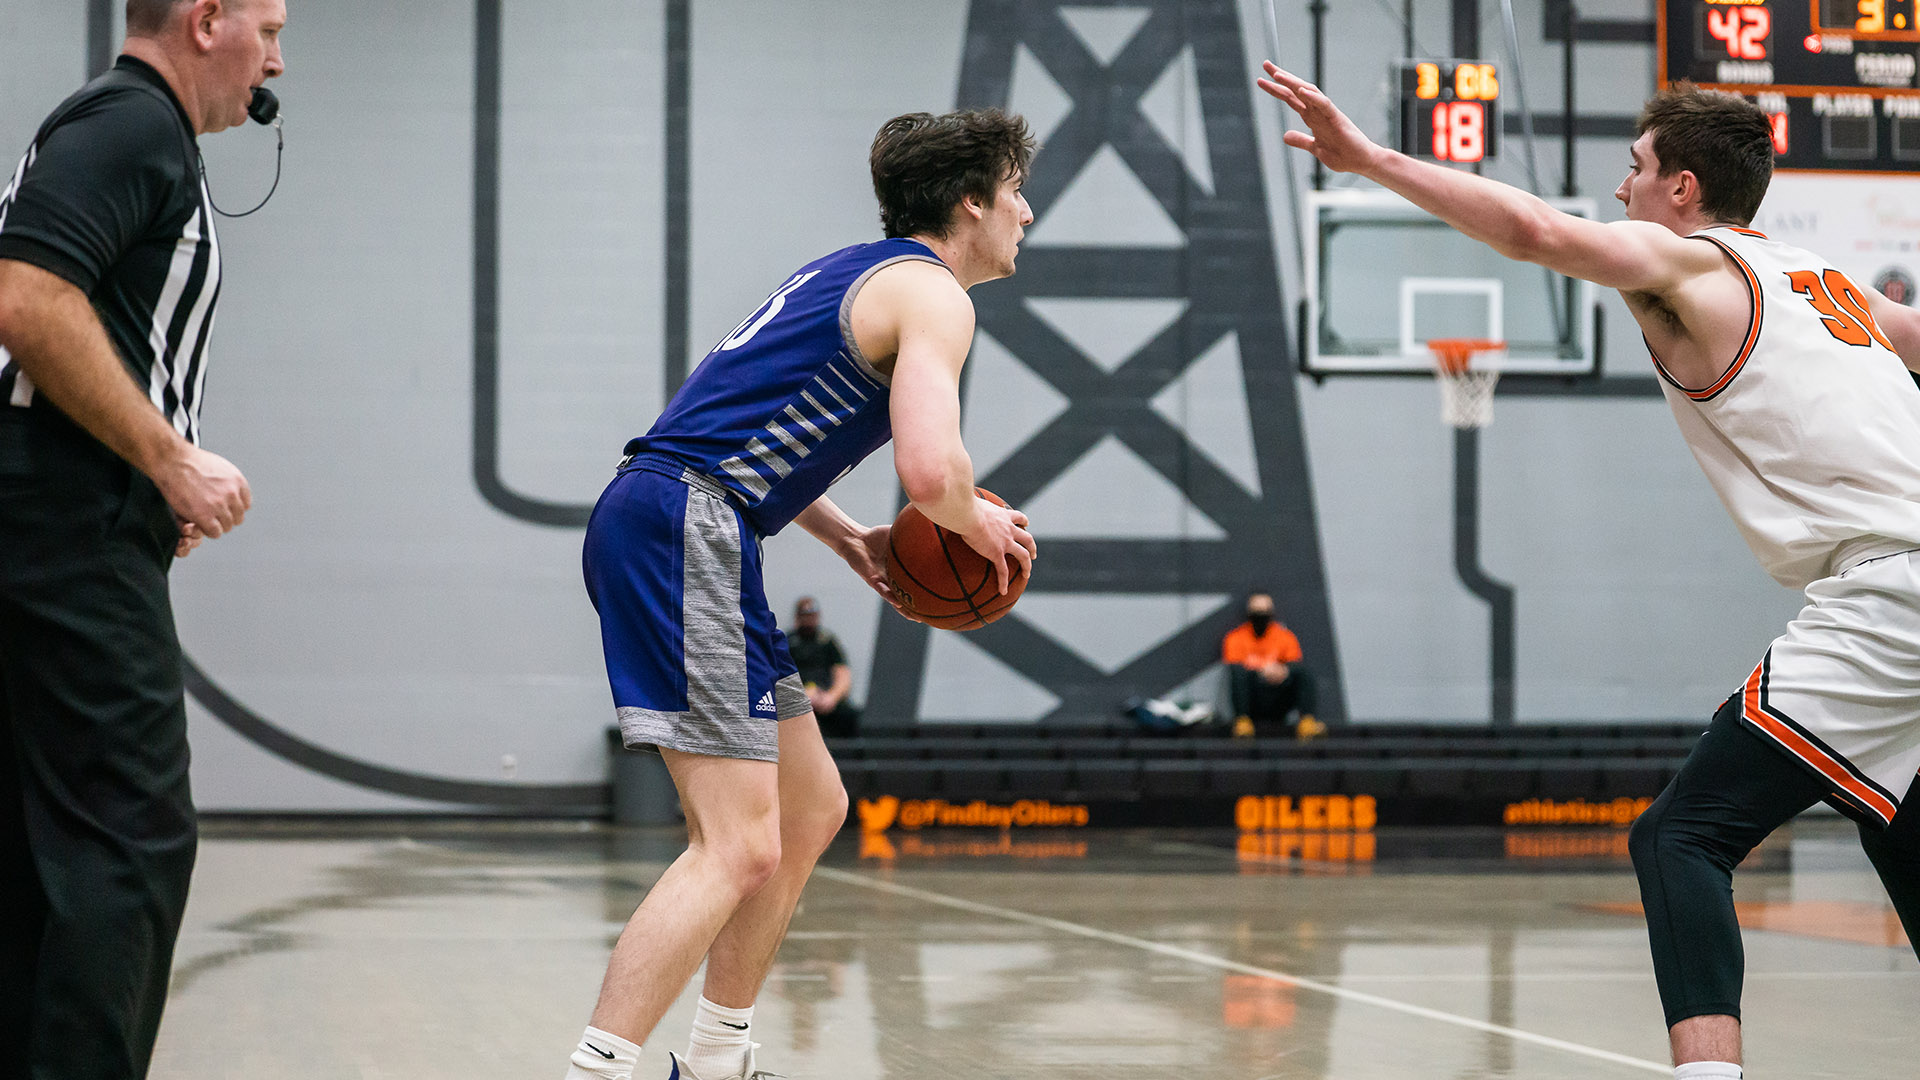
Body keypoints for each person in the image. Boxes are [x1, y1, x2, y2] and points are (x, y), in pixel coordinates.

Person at [1258, 65, 1920, 1078]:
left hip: (1891, 593)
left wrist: (1371, 160)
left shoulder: (1692, 266)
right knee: (1899, 827)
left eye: (1637, 166)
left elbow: (1534, 232)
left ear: (1685, 188)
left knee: (1681, 837)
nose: (1623, 189)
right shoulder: (1826, 281)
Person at [570, 109, 1039, 1080]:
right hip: (686, 525)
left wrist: (850, 537)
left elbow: (732, 426)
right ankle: (598, 1071)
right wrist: (975, 521)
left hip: (691, 516)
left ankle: (717, 1058)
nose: (1027, 214)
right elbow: (929, 467)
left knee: (811, 805)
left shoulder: (850, 271)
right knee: (735, 845)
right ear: (972, 201)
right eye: (1018, 192)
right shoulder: (937, 297)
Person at [0, 2, 283, 1078]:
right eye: (266, 26)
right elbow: (26, 298)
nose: (277, 57)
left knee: (40, 849)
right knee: (131, 840)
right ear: (205, 19)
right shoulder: (129, 124)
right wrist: (164, 459)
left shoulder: (132, 130)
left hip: (55, 508)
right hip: (67, 522)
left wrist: (143, 467)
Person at [1221, 592, 1322, 739]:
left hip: (1279, 695)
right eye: (1257, 612)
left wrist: (1282, 670)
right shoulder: (1235, 637)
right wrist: (1264, 670)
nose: (1261, 617)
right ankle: (1242, 722)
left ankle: (1307, 722)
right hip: (1253, 697)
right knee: (1237, 673)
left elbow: (1295, 662)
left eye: (1264, 612)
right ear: (1249, 613)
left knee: (1303, 672)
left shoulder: (1284, 636)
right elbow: (1234, 665)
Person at [786, 597, 860, 738]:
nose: (809, 619)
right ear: (797, 617)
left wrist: (832, 697)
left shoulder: (827, 641)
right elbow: (778, 675)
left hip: (825, 697)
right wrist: (801, 696)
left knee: (849, 715)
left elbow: (842, 673)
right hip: (797, 699)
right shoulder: (788, 642)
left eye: (812, 615)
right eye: (805, 615)